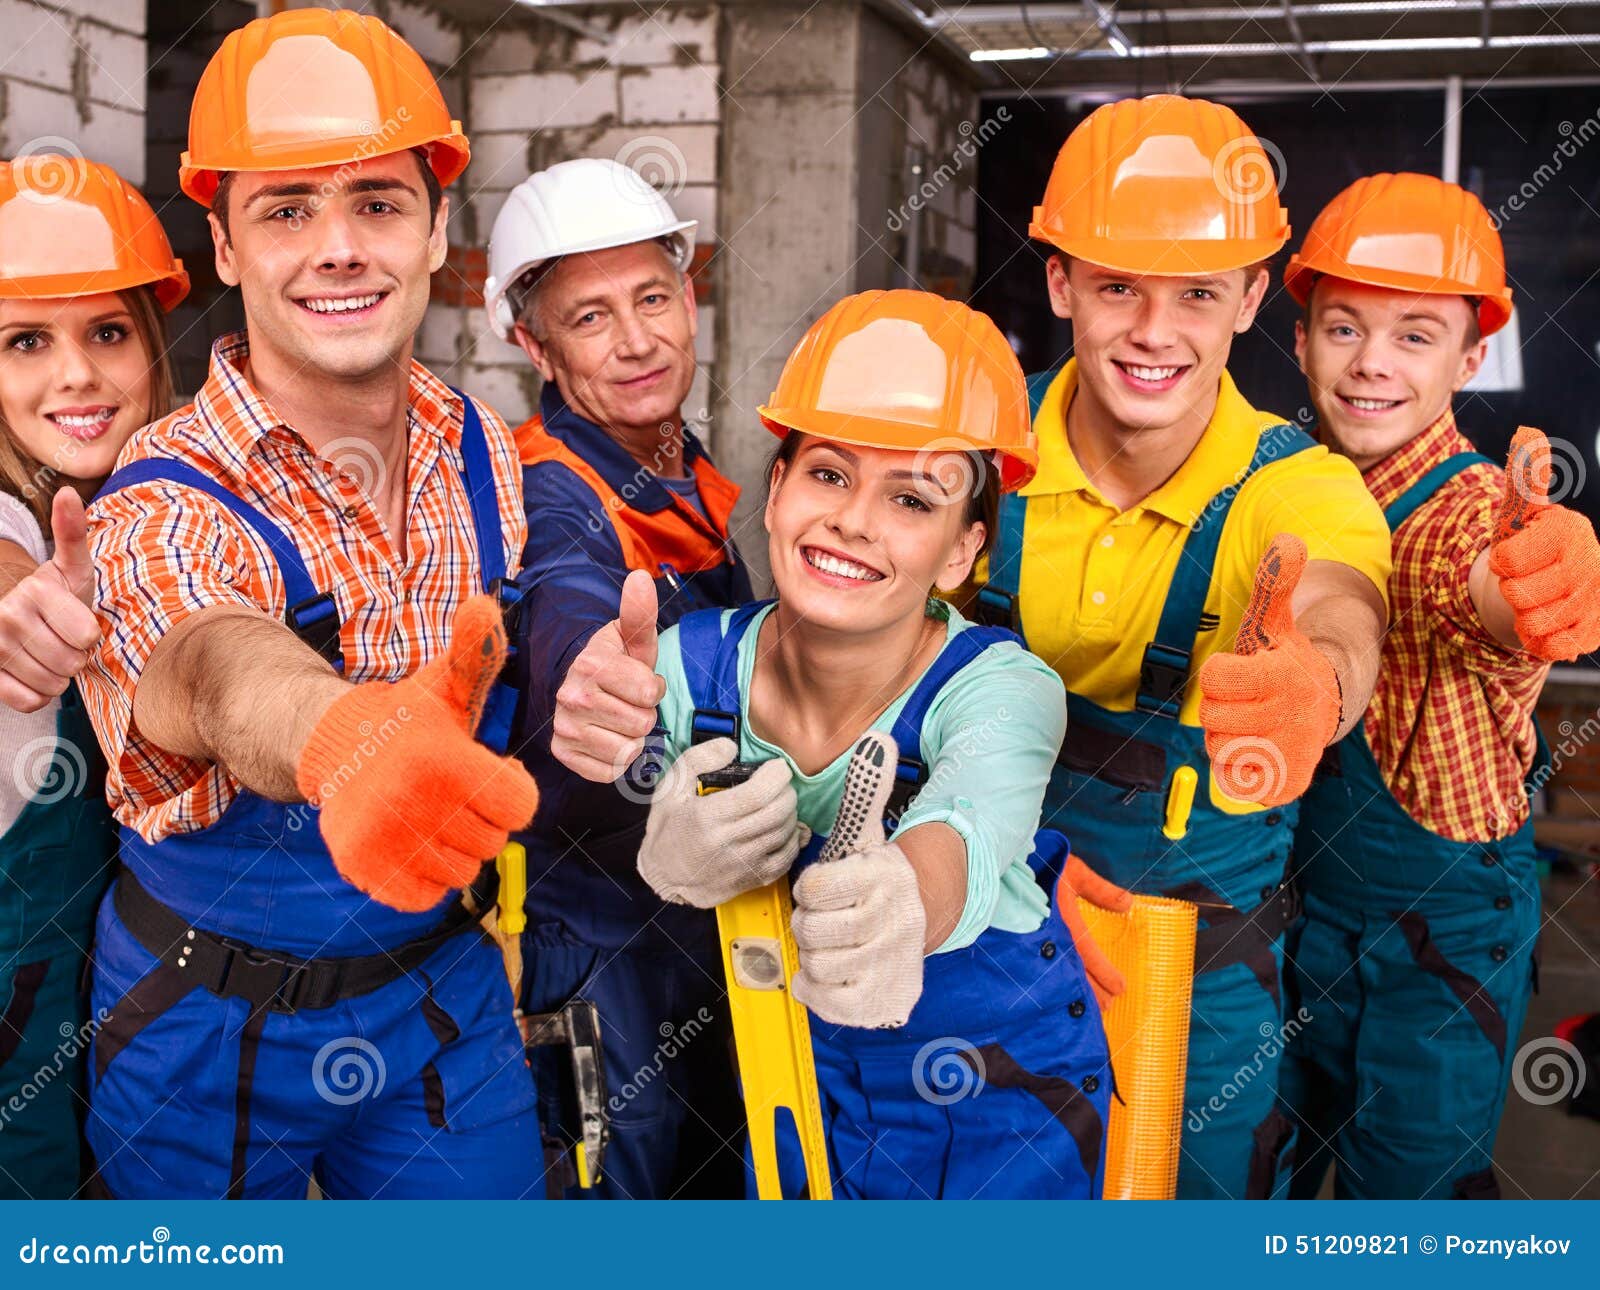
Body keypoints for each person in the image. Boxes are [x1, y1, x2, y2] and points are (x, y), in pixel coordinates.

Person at [73, 8, 540, 1199]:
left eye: (377, 203)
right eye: (286, 210)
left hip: (440, 990)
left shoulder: (481, 449)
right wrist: (342, 741)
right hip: (203, 1024)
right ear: (224, 247)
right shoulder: (162, 496)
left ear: (436, 230)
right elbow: (210, 665)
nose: (338, 248)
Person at [551, 289, 1115, 1199]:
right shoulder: (689, 667)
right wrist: (639, 807)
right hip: (795, 1084)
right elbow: (607, 779)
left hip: (1002, 1105)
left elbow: (969, 823)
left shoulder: (1004, 691)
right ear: (776, 490)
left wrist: (903, 904)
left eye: (911, 499)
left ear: (962, 552)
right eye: (829, 474)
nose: (854, 520)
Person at [971, 94, 1394, 1199]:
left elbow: (1342, 596)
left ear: (1251, 298)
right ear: (1060, 283)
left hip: (1201, 982)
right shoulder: (970, 449)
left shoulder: (1294, 483)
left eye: (1198, 293)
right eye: (1118, 287)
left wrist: (1317, 678)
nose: (1155, 332)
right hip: (979, 931)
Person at [1281, 171, 1600, 1198]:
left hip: (1439, 942)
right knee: (1255, 1191)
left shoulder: (1466, 511)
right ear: (1302, 340)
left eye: (1414, 335)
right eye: (1344, 328)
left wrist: (1538, 581)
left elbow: (1480, 585)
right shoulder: (1282, 489)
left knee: (1411, 1219)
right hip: (1292, 914)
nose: (1371, 362)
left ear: (1469, 358)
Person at [483, 159, 750, 1197]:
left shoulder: (681, 471)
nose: (637, 340)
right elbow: (568, 604)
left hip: (700, 911)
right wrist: (588, 685)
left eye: (652, 298)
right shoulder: (552, 492)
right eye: (590, 318)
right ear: (535, 346)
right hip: (596, 935)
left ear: (688, 299)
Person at [0, 155, 184, 1197]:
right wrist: (21, 608)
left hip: (129, 1021)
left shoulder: (168, 514)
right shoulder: (15, 522)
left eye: (107, 332)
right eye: (26, 340)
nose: (75, 374)